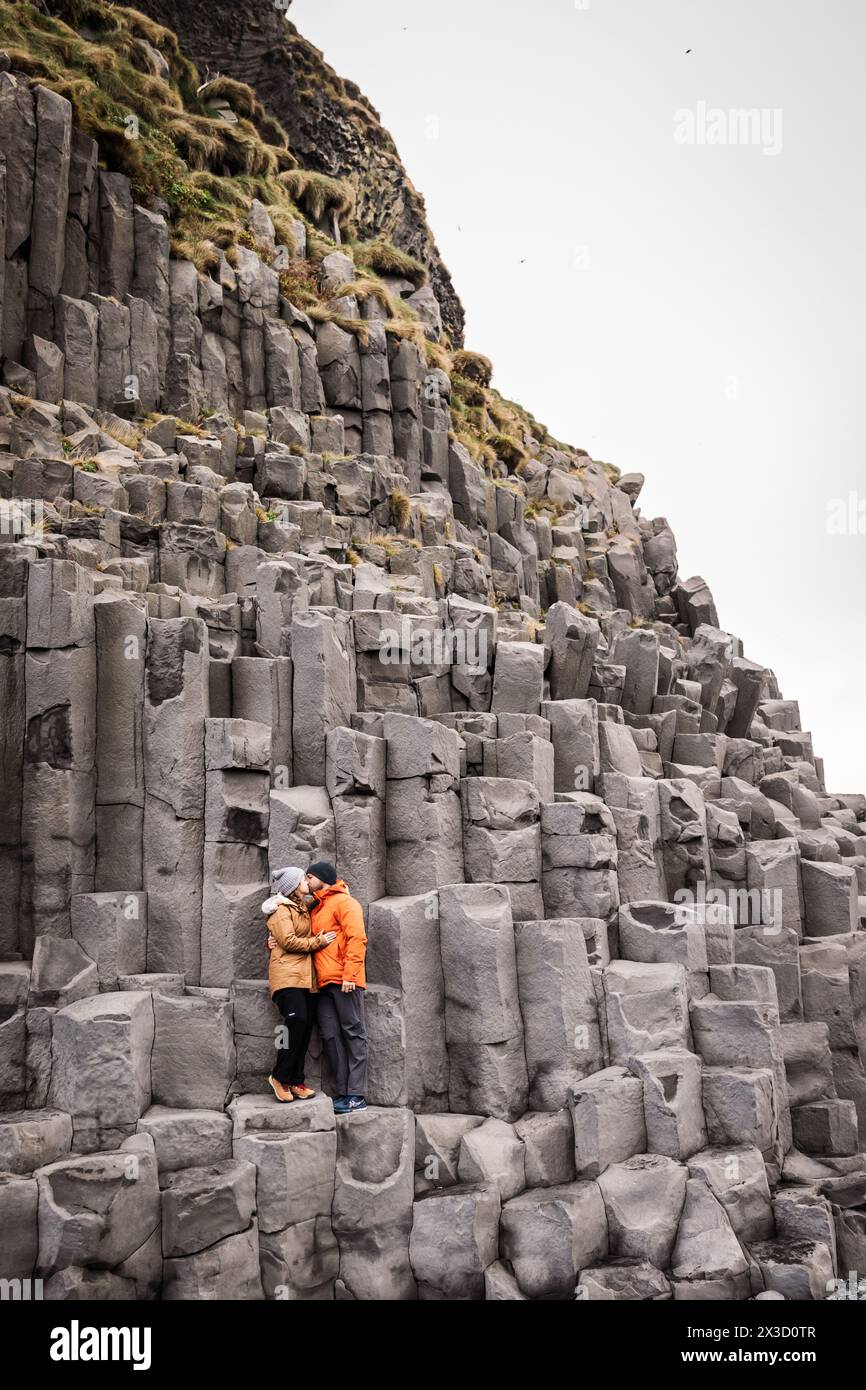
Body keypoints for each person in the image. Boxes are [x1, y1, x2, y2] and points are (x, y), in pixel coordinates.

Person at [262, 866, 336, 1104]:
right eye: (303, 879)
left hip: (305, 978)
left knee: (304, 1029)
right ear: (293, 886)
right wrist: (319, 942)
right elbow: (289, 941)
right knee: (297, 1021)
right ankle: (279, 1076)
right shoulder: (281, 910)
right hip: (287, 977)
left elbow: (323, 895)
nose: (307, 881)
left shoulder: (301, 906)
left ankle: (295, 1080)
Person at [306, 861, 369, 1115]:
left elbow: (357, 938)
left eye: (310, 877)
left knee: (353, 1033)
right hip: (322, 983)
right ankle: (344, 1093)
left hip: (345, 980)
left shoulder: (346, 903)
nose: (307, 881)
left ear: (323, 878)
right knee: (330, 1036)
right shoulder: (316, 907)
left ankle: (357, 1096)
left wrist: (350, 974)